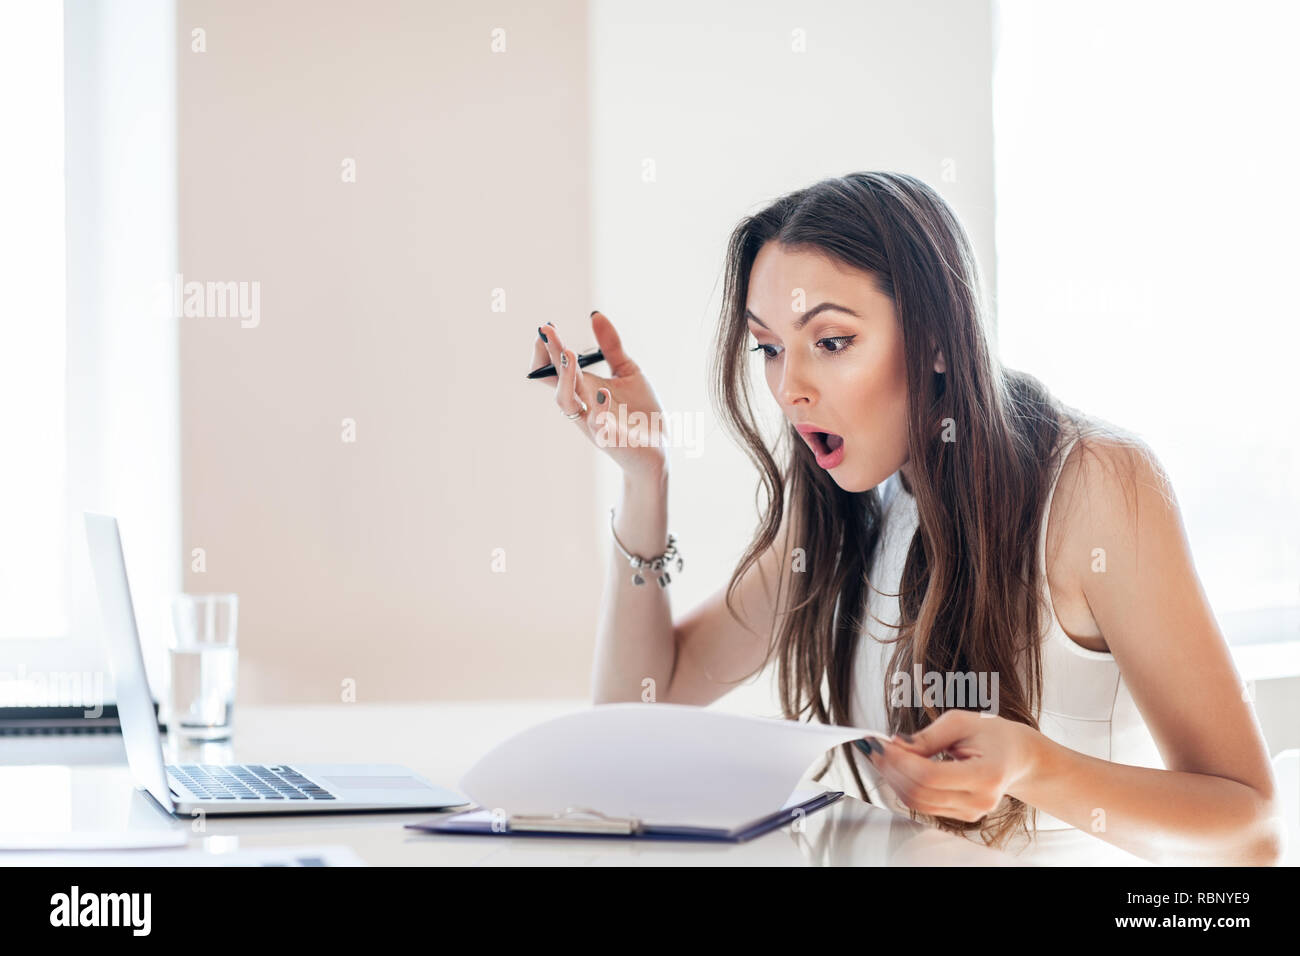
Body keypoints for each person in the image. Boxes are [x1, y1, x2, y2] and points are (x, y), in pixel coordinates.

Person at [525, 171, 1282, 864]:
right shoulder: (846, 510)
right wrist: (645, 477)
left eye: (831, 342)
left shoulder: (1095, 488)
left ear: (937, 342)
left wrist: (1032, 766)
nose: (789, 388)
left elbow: (1251, 829)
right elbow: (637, 709)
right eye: (769, 348)